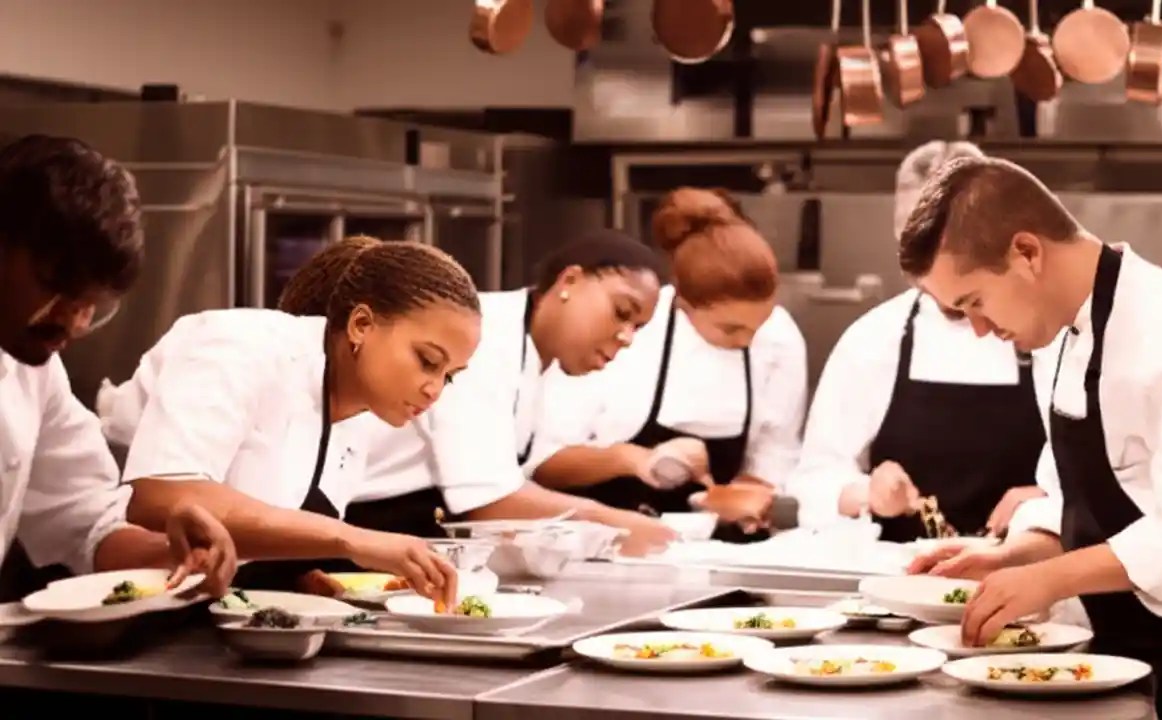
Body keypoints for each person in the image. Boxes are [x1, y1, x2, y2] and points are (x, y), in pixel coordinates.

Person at [899, 156, 1162, 717]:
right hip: (1140, 663)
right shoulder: (1059, 335)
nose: (978, 329)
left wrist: (1052, 579)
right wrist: (1013, 558)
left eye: (974, 302)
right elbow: (1076, 497)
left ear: (1027, 253)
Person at [99, 238, 485, 604]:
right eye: (428, 362)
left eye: (449, 375)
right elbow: (158, 495)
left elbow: (255, 536)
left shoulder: (357, 414)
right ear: (361, 325)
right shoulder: (237, 344)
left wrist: (295, 579)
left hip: (194, 610)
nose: (435, 389)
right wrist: (354, 540)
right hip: (99, 602)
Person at [277, 233, 678, 554]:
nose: (626, 337)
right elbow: (488, 501)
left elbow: (526, 470)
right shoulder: (484, 337)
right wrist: (618, 525)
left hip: (395, 538)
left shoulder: (536, 358)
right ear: (569, 281)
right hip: (353, 528)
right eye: (622, 312)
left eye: (638, 328)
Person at [0, 134, 236, 601]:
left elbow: (87, 520)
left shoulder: (34, 372)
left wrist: (177, 555)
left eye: (93, 304)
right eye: (58, 288)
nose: (75, 322)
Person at [789, 141, 1046, 539]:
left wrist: (1050, 498)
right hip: (899, 578)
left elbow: (1113, 477)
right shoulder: (873, 340)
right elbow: (814, 480)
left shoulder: (1047, 337)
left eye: (939, 240)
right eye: (910, 240)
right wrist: (866, 494)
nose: (924, 258)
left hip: (1026, 577)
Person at [531, 188, 808, 542]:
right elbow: (544, 465)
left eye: (760, 324)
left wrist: (744, 495)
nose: (747, 341)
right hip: (611, 542)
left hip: (723, 548)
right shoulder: (630, 331)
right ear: (683, 303)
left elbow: (776, 449)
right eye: (730, 328)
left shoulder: (779, 338)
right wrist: (637, 459)